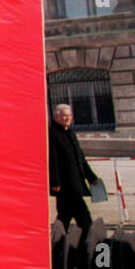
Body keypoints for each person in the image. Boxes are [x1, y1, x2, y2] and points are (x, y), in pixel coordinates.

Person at [49, 102, 100, 237]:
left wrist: (91, 177)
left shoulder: (70, 133)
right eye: (64, 116)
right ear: (56, 117)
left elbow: (80, 157)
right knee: (83, 215)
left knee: (64, 216)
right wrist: (55, 183)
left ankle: (57, 241)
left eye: (69, 116)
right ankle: (91, 240)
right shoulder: (52, 134)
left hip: (75, 181)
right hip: (66, 184)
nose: (68, 118)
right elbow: (52, 160)